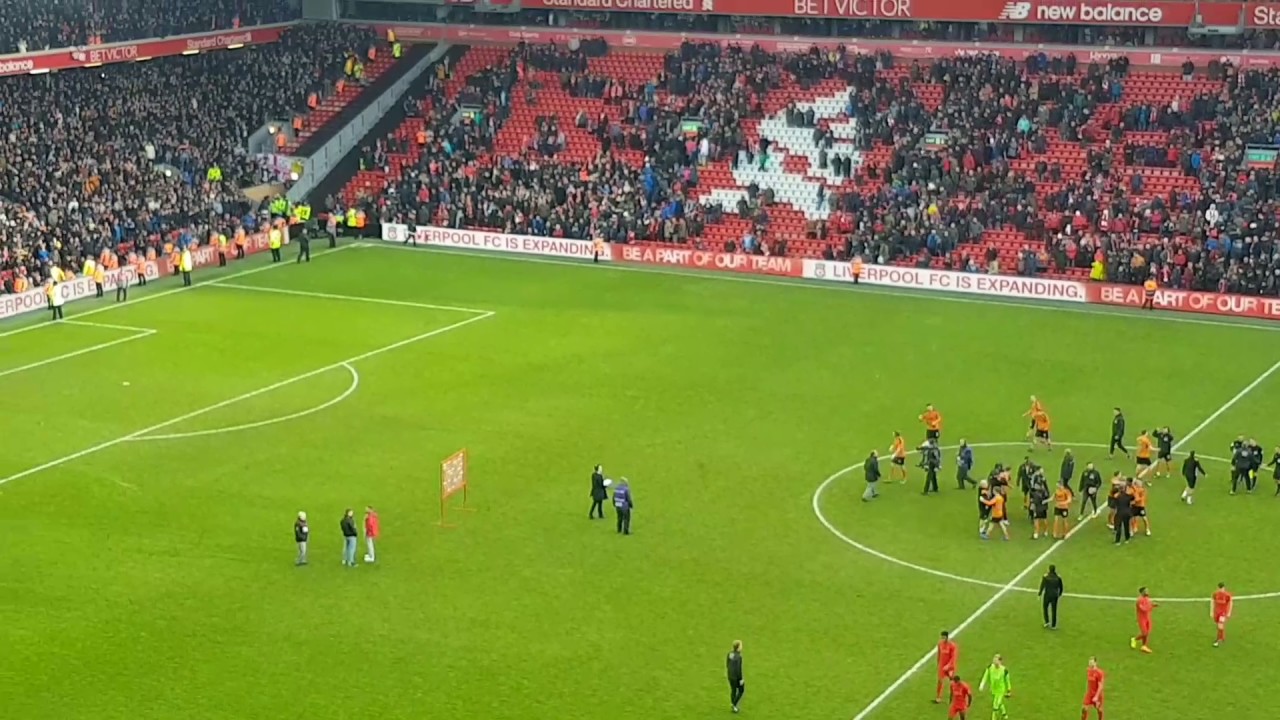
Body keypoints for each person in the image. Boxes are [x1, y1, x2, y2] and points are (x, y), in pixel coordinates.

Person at [978, 654, 1012, 720]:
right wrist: (982, 684)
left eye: (996, 660)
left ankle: (993, 718)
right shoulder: (990, 667)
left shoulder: (1004, 670)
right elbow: (985, 676)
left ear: (1000, 661)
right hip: (994, 689)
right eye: (994, 660)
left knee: (995, 705)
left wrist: (1009, 690)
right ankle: (1004, 714)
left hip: (1001, 690)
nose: (995, 662)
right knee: (999, 703)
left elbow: (1007, 681)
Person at [1132, 587, 1157, 653]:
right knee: (1144, 633)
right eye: (1146, 591)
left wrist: (1153, 605)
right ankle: (1134, 639)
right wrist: (1151, 606)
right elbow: (1143, 609)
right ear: (1142, 592)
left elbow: (1148, 605)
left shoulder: (1147, 599)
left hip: (1148, 617)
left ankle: (1144, 646)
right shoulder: (1139, 600)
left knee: (1147, 633)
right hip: (1142, 618)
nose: (1147, 592)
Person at [1038, 564, 1064, 629]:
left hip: (1047, 595)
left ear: (1049, 569)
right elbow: (1061, 587)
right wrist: (1059, 594)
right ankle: (1053, 625)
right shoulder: (1058, 577)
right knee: (1054, 610)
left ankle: (1047, 622)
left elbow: (1042, 586)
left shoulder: (1045, 577)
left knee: (1045, 608)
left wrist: (1039, 594)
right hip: (1055, 595)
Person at [935, 630, 957, 703]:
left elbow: (953, 658)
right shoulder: (940, 644)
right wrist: (938, 663)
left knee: (952, 682)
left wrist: (948, 666)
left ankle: (952, 697)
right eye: (942, 637)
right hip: (942, 666)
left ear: (947, 637)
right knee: (940, 681)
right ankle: (938, 697)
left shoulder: (952, 646)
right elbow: (939, 654)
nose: (942, 639)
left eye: (944, 637)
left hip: (950, 667)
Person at [1111, 477, 1133, 544]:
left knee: (1119, 527)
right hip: (1127, 513)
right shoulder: (1128, 496)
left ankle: (1118, 541)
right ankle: (1127, 539)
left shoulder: (1117, 497)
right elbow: (1133, 498)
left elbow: (1113, 497)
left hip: (1120, 513)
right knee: (1126, 526)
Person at [1212, 582, 1233, 647]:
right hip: (1216, 612)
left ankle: (1217, 640)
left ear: (1224, 588)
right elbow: (1212, 601)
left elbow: (1231, 602)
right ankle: (1222, 637)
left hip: (1223, 613)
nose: (1221, 590)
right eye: (1220, 589)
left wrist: (1229, 612)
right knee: (1219, 626)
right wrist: (1211, 611)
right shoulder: (1215, 594)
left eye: (1222, 588)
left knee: (1220, 626)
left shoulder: (1227, 595)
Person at [1029, 473, 1050, 539]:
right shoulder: (1045, 492)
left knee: (1036, 520)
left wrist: (1032, 507)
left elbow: (1034, 501)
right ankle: (1046, 531)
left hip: (1038, 508)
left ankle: (1036, 534)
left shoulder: (1035, 493)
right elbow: (1047, 495)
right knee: (1044, 519)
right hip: (1044, 508)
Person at [726, 640, 745, 713]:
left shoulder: (730, 654)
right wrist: (741, 679)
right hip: (736, 677)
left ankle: (733, 704)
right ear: (738, 647)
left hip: (730, 675)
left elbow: (727, 664)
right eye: (741, 645)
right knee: (741, 690)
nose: (742, 647)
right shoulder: (739, 657)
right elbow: (738, 669)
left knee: (733, 690)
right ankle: (734, 705)